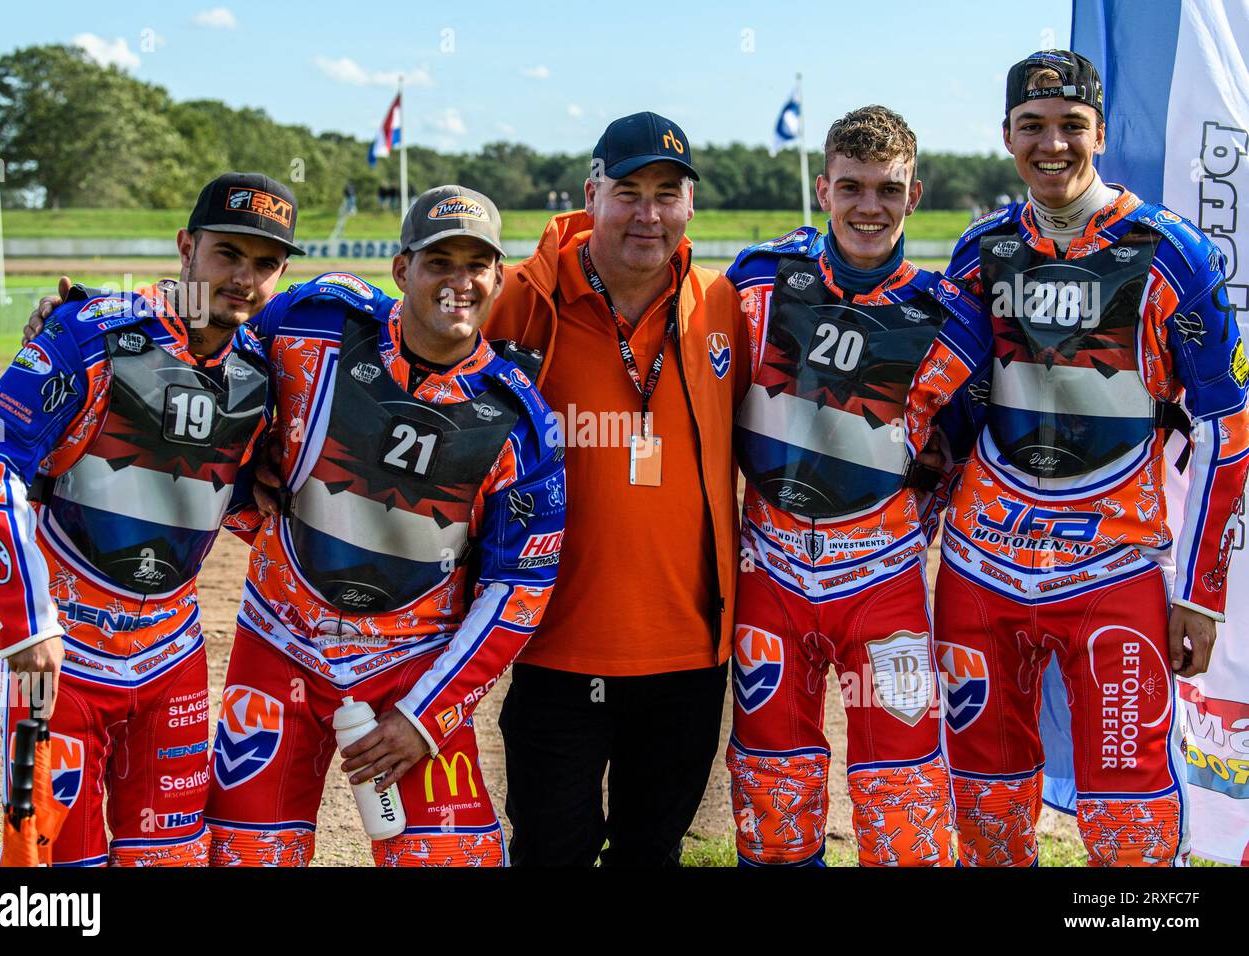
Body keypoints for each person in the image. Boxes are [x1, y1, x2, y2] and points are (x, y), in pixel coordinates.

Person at [905, 50, 1249, 866]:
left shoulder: (1171, 253)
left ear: (1100, 131)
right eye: (1033, 127)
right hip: (981, 573)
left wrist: (1200, 597)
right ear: (1006, 136)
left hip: (1115, 571)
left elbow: (1228, 430)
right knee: (985, 804)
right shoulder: (979, 249)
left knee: (1131, 820)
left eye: (1070, 127)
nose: (1051, 145)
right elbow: (950, 413)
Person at [201, 185, 564, 866]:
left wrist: (425, 719)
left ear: (500, 277)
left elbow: (520, 588)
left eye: (476, 266)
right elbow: (206, 355)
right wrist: (246, 467)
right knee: (241, 856)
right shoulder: (315, 318)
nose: (459, 283)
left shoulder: (523, 421)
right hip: (280, 643)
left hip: (412, 665)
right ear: (402, 271)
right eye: (439, 263)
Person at [0, 171, 299, 865]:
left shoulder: (265, 370)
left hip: (172, 657)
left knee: (169, 859)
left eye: (265, 264)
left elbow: (226, 494)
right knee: (50, 876)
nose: (244, 277)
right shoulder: (89, 334)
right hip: (59, 660)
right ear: (186, 246)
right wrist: (26, 626)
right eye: (227, 254)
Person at [484, 112, 747, 866]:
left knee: (650, 853)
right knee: (551, 851)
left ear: (690, 206)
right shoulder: (518, 303)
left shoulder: (722, 307)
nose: (648, 214)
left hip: (688, 660)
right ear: (591, 194)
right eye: (628, 192)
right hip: (555, 651)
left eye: (668, 194)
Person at [725, 106, 984, 866]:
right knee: (773, 795)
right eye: (851, 186)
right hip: (767, 575)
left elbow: (962, 451)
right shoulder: (758, 282)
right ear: (822, 187)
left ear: (915, 193)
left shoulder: (953, 318)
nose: (869, 206)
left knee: (903, 803)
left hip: (885, 586)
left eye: (888, 189)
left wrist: (911, 525)